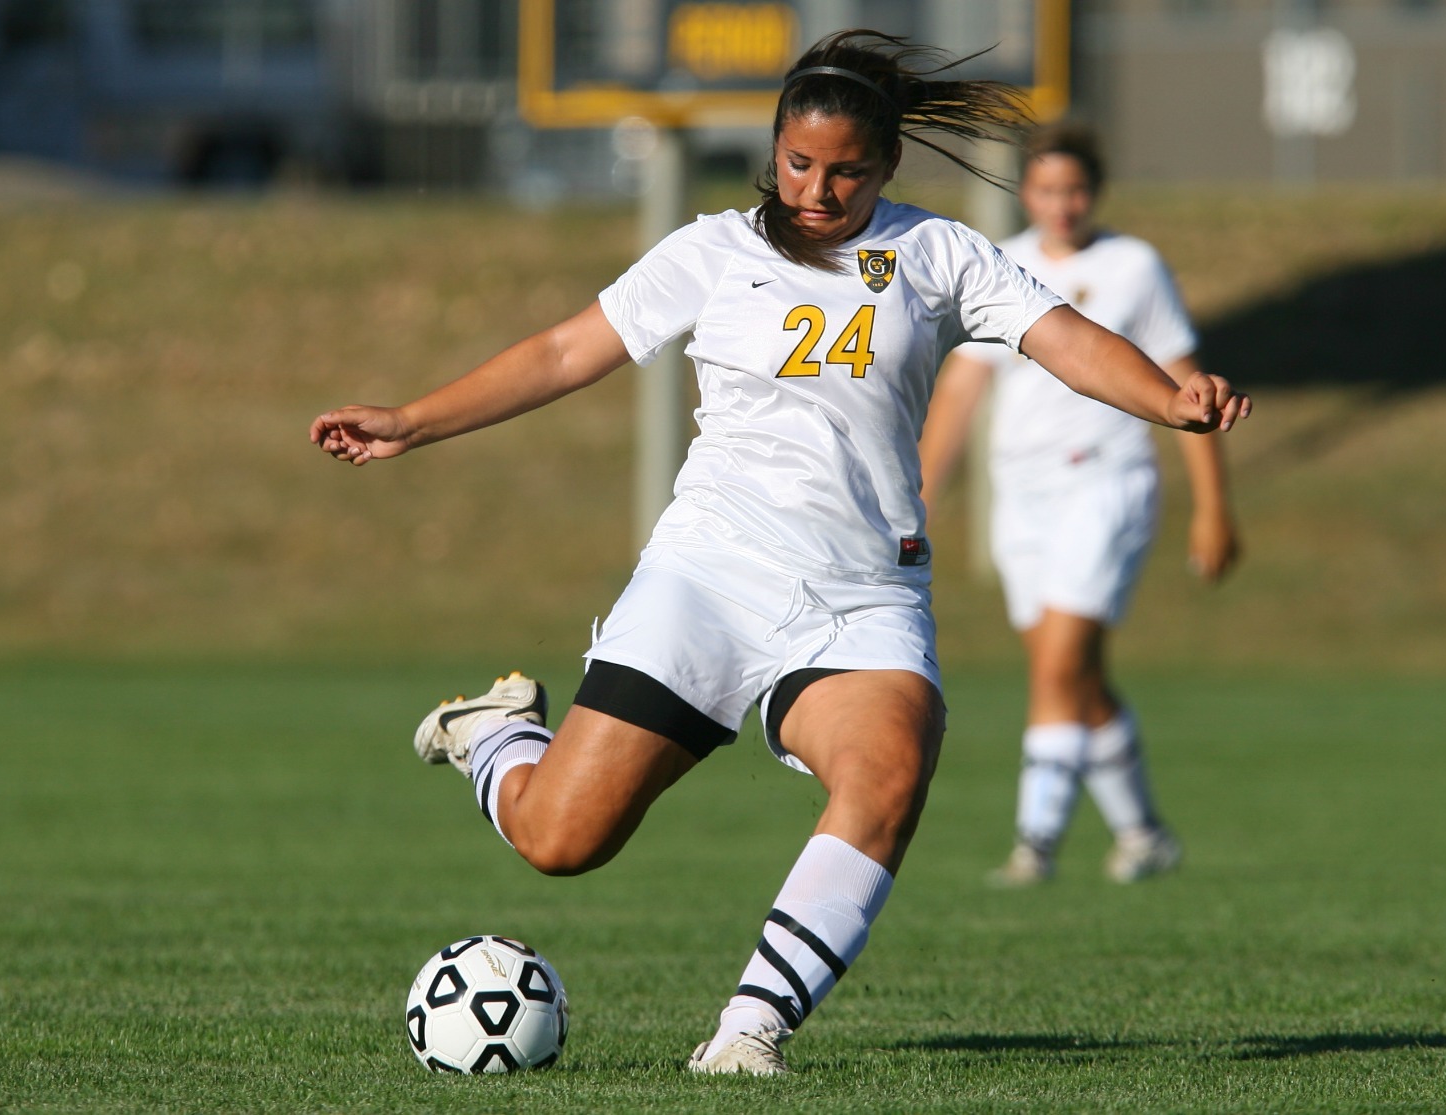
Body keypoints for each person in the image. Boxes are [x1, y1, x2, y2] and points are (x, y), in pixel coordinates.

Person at [310, 32, 1249, 1076]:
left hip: (860, 594)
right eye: (798, 163)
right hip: (707, 577)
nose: (816, 188)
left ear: (886, 165)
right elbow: (564, 349)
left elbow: (1061, 336)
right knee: (559, 839)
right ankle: (492, 734)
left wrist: (1167, 397)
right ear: (773, 150)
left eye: (845, 169)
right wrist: (410, 420)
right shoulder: (711, 251)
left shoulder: (935, 255)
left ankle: (746, 1031)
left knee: (891, 764)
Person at [917, 125, 1240, 888]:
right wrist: (918, 499)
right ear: (1026, 193)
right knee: (1073, 678)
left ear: (1095, 193)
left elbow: (1185, 384)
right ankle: (1144, 833)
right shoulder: (1005, 266)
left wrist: (1214, 508)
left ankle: (1036, 843)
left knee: (1057, 668)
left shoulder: (1132, 267)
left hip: (1106, 482)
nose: (1063, 205)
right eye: (1047, 190)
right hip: (1022, 495)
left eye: (1076, 190)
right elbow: (962, 389)